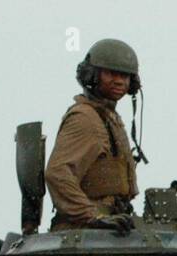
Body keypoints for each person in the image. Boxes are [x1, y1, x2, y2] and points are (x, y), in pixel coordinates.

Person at [45, 38, 146, 232]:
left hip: (109, 227)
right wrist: (92, 216)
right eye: (111, 73)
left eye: (125, 76)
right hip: (85, 232)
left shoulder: (109, 117)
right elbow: (58, 173)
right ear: (92, 75)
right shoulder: (85, 118)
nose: (119, 81)